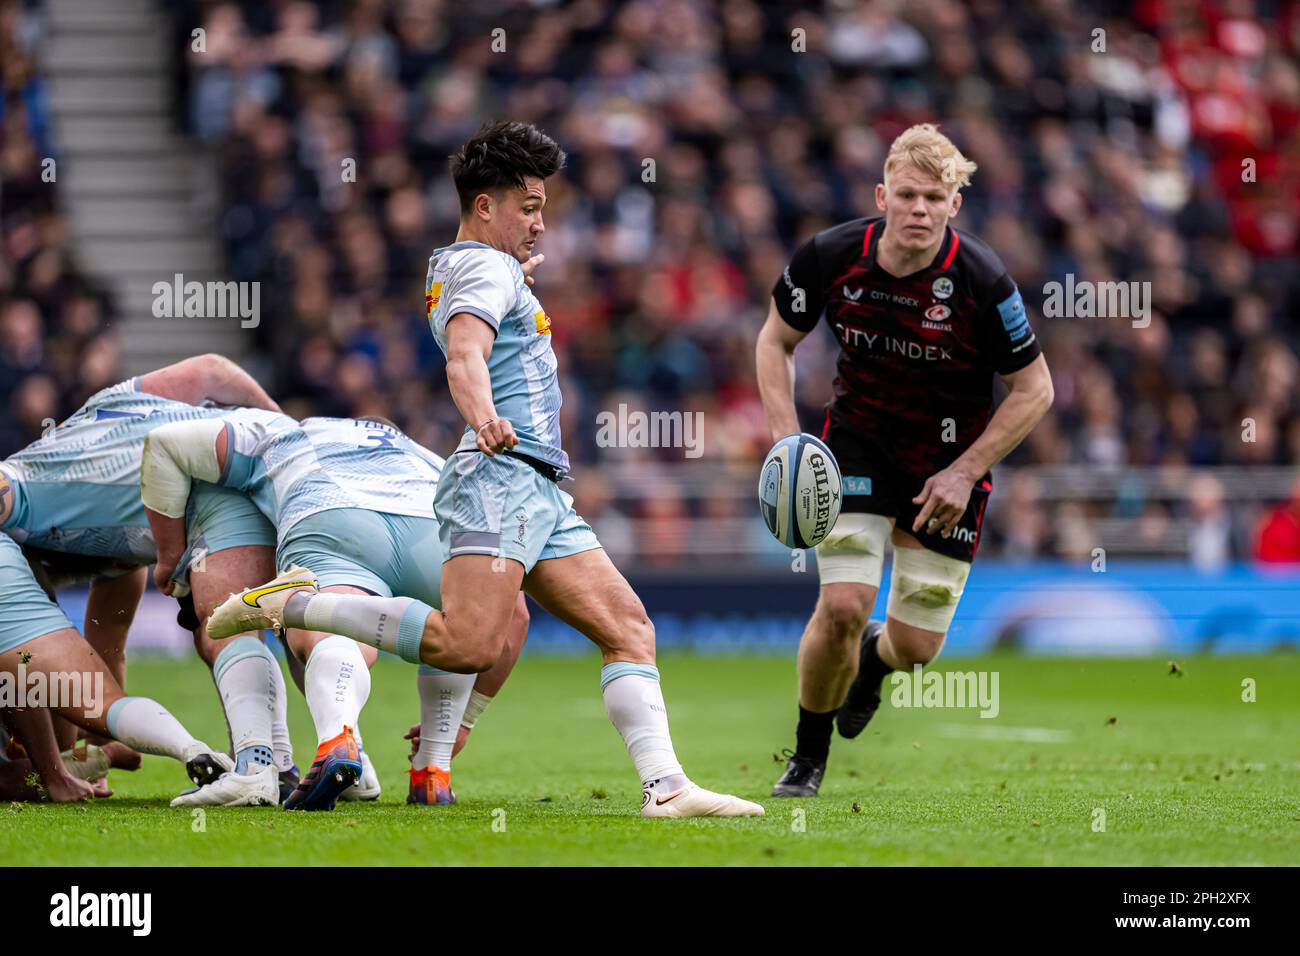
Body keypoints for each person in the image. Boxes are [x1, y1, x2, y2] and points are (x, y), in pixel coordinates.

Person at [210, 119, 763, 818]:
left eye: (543, 208)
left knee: (628, 626)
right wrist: (481, 414)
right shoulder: (480, 267)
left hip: (537, 486)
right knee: (468, 644)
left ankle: (667, 787)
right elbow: (464, 354)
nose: (540, 223)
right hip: (499, 475)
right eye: (528, 207)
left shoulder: (481, 266)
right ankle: (293, 605)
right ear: (484, 206)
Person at [755, 124, 1054, 796]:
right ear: (882, 194)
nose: (920, 209)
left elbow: (1036, 390)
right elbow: (774, 342)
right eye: (909, 195)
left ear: (955, 206)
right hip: (855, 448)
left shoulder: (984, 282)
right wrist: (786, 440)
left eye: (936, 198)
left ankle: (876, 665)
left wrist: (963, 471)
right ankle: (807, 757)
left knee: (917, 648)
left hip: (949, 467)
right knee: (844, 605)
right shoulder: (830, 255)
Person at [141, 409, 531, 809]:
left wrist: (169, 558)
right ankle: (432, 770)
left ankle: (340, 739)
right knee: (460, 623)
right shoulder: (428, 457)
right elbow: (516, 616)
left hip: (331, 512)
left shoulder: (281, 430)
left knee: (332, 629)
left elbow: (165, 442)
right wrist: (462, 724)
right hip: (431, 526)